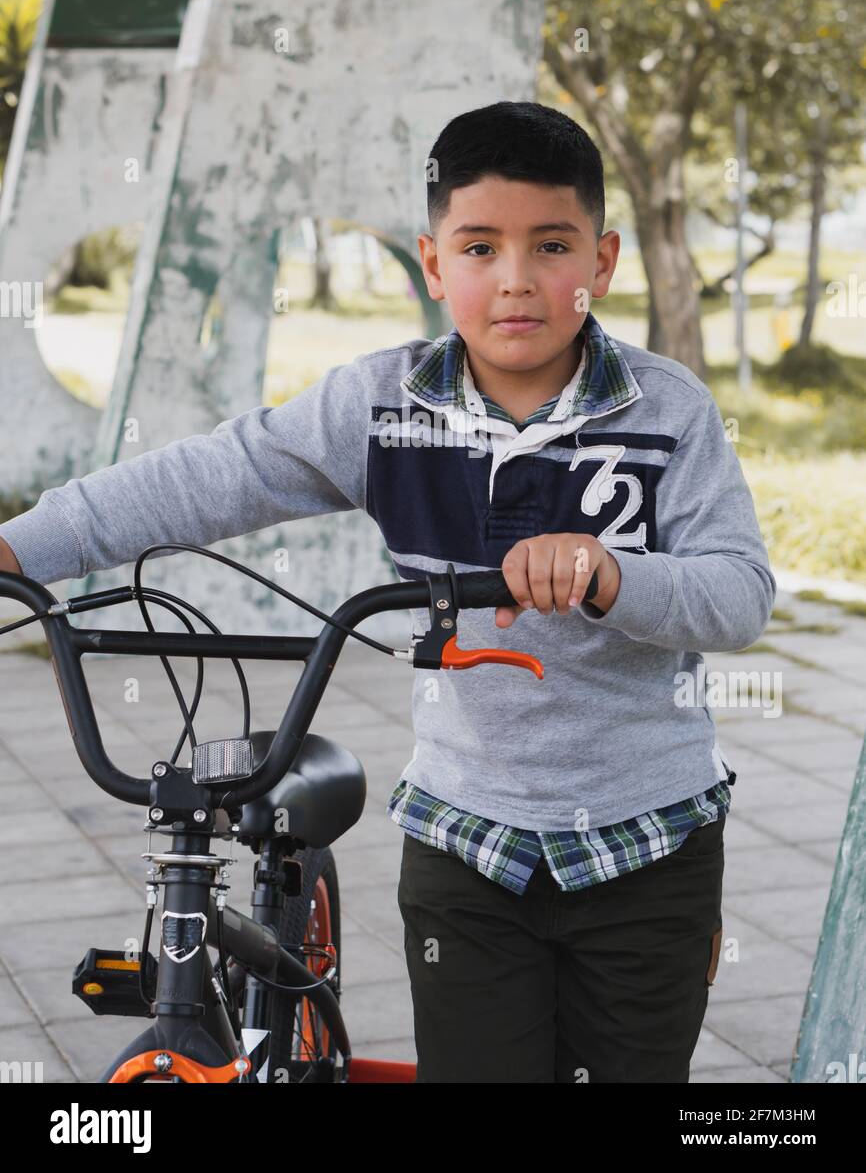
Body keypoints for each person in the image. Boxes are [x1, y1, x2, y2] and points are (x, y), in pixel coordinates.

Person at [0, 101, 774, 1084]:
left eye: (550, 246)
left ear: (602, 261)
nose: (515, 280)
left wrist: (609, 574)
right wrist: (19, 548)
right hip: (466, 842)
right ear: (432, 263)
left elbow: (738, 595)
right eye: (479, 246)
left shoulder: (669, 410)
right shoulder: (380, 407)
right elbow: (205, 475)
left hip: (645, 843)